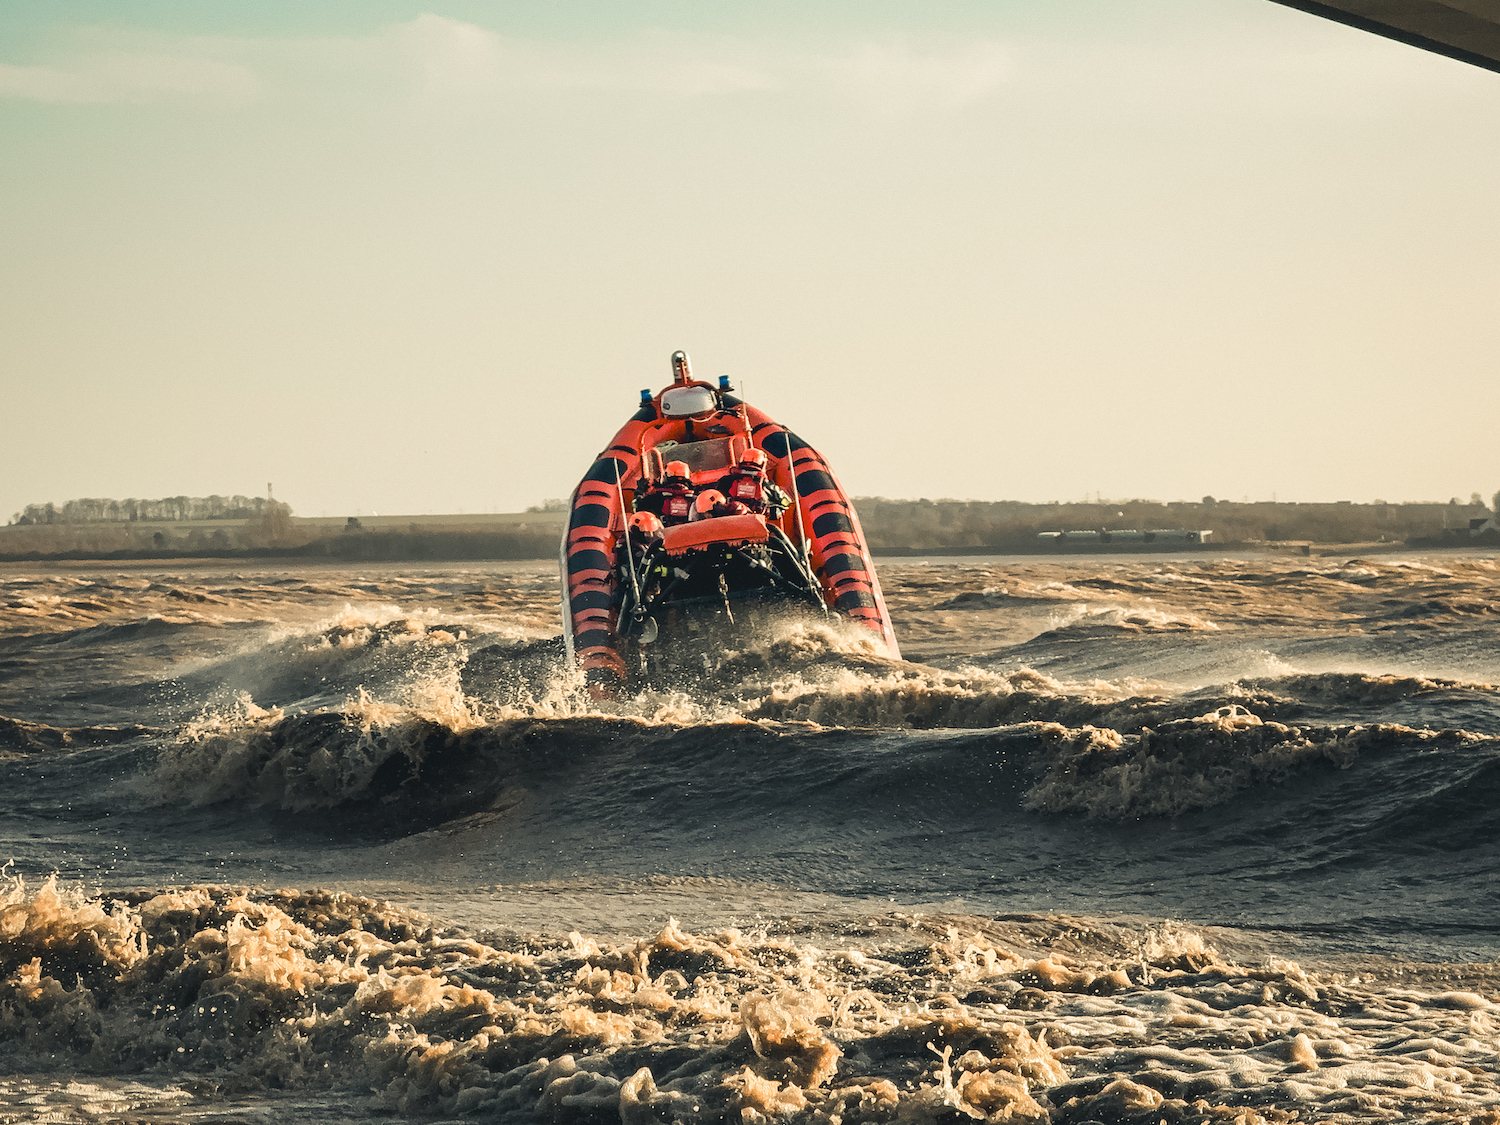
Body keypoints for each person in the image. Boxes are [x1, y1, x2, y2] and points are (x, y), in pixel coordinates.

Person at [714, 447, 789, 517]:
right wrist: (769, 510)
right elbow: (785, 503)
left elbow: (713, 498)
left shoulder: (725, 481)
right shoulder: (768, 486)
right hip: (754, 523)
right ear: (763, 465)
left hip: (727, 521)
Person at [636, 460, 696, 525]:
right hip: (691, 532)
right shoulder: (695, 500)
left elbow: (640, 513)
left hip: (662, 533)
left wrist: (640, 493)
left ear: (665, 476)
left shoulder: (654, 498)